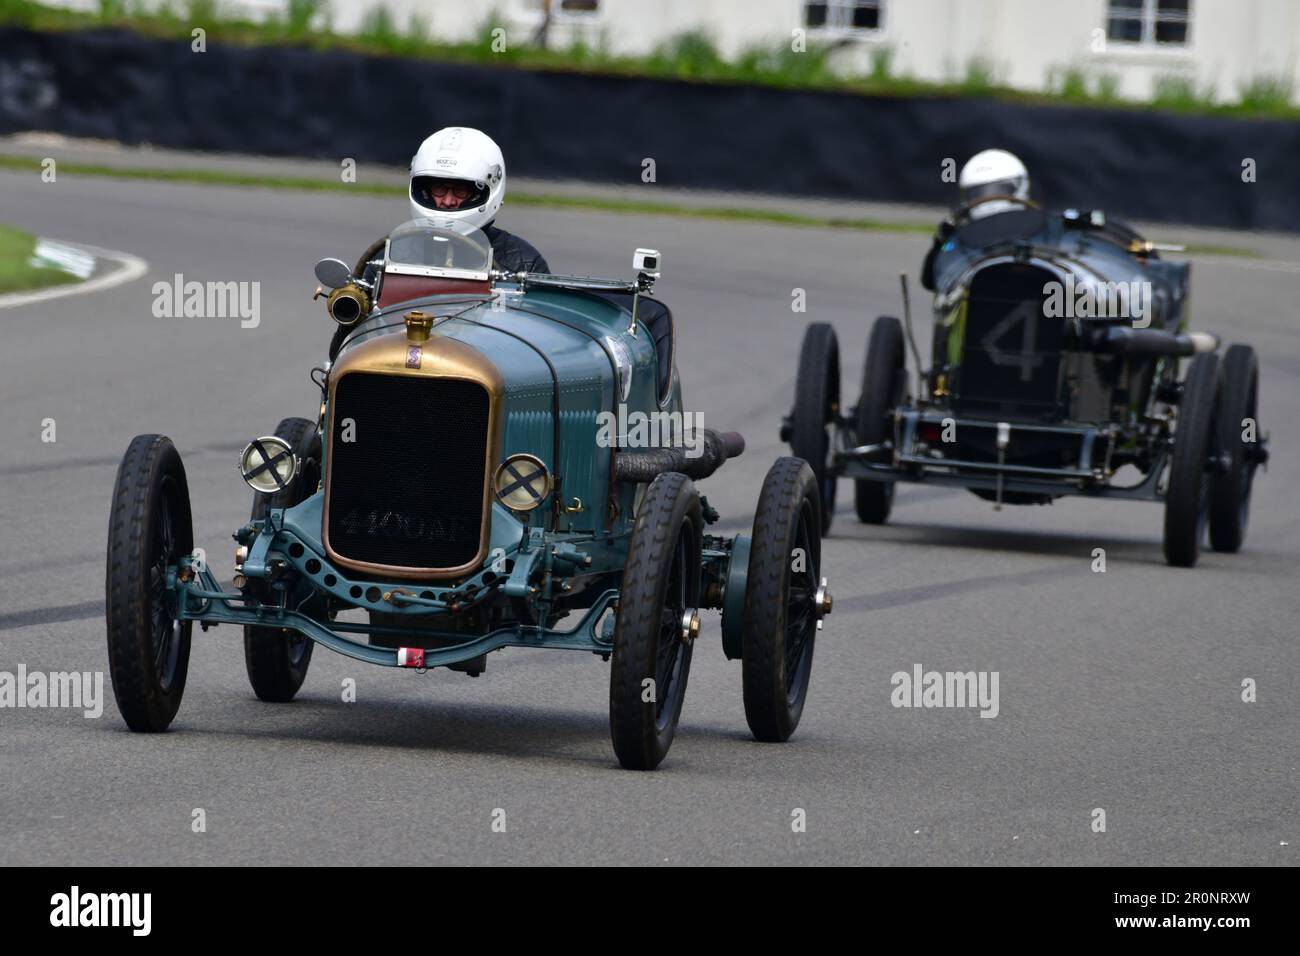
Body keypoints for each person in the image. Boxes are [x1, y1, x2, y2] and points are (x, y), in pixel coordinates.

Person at [330, 127, 549, 358]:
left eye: (461, 191)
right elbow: (348, 347)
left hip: (484, 371)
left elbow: (535, 349)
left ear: (489, 188)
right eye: (439, 188)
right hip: (395, 367)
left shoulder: (522, 262)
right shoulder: (388, 255)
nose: (447, 200)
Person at [921, 148, 1031, 291]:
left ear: (1018, 188)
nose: (989, 198)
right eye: (979, 193)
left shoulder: (1034, 230)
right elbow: (930, 281)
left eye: (999, 189)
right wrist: (942, 241)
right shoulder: (961, 235)